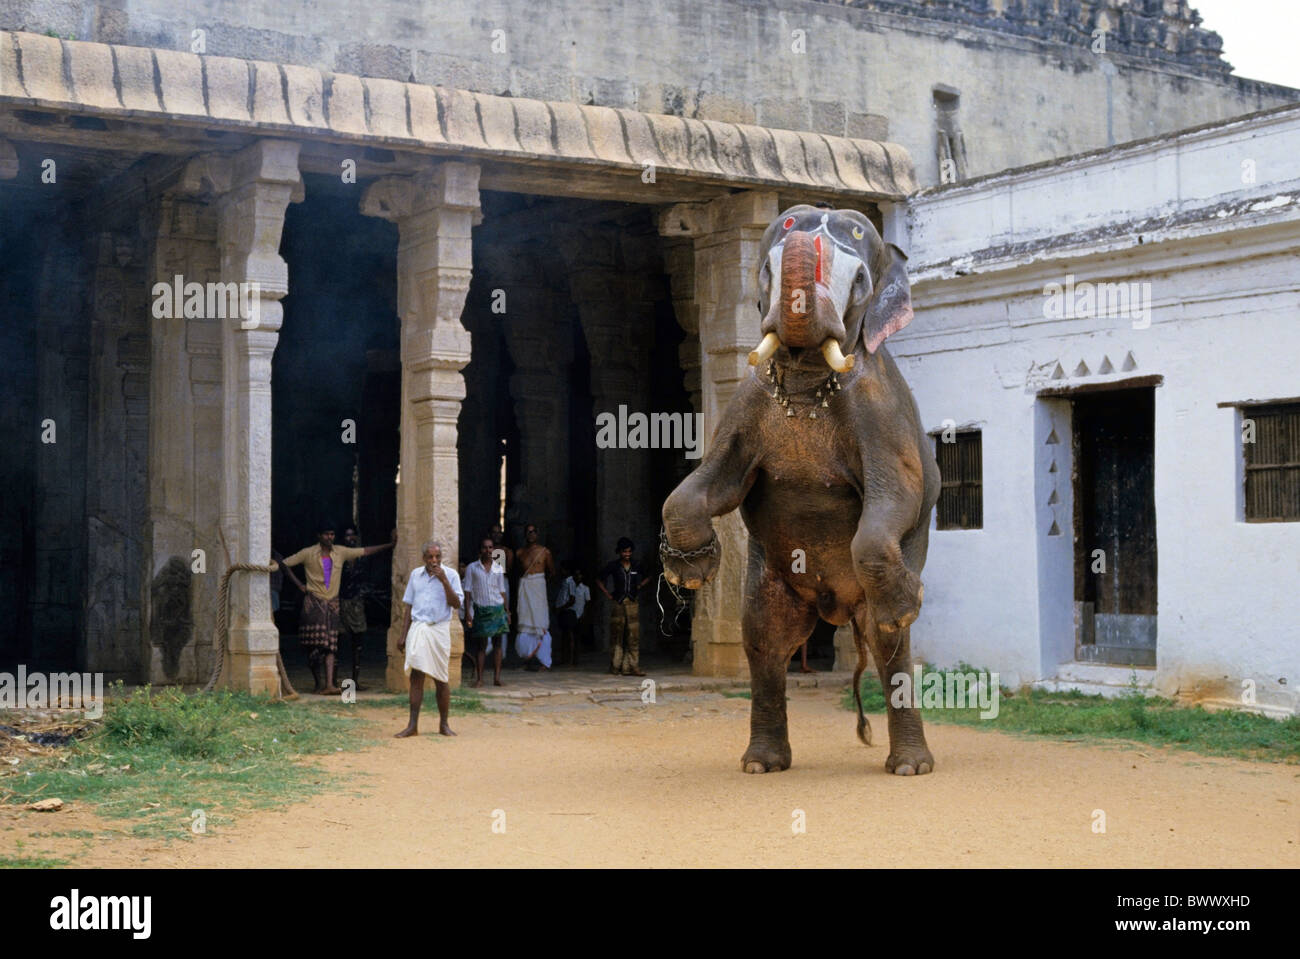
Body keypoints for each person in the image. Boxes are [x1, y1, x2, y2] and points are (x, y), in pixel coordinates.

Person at [279, 522, 395, 694]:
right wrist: (299, 585)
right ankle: (318, 684)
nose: (329, 537)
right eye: (326, 534)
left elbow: (366, 551)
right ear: (319, 536)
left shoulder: (340, 552)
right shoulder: (308, 553)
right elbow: (284, 564)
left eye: (332, 534)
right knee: (314, 647)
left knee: (331, 646)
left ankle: (329, 686)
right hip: (314, 604)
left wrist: (390, 545)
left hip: (332, 605)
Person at [395, 541, 463, 737]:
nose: (434, 561)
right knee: (416, 678)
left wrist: (444, 581)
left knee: (441, 679)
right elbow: (408, 607)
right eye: (430, 557)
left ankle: (444, 725)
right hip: (418, 629)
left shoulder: (451, 575)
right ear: (423, 558)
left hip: (439, 630)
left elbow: (456, 603)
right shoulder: (416, 575)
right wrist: (403, 635)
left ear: (441, 558)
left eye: (437, 557)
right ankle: (412, 725)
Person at [598, 537, 650, 676]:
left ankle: (632, 666)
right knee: (617, 633)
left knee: (633, 635)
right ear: (619, 552)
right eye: (624, 552)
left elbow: (648, 575)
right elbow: (599, 579)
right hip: (618, 602)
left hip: (633, 602)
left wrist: (639, 585)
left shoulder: (636, 565)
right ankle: (616, 666)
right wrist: (608, 595)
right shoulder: (614, 566)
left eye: (629, 551)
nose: (627, 554)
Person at [464, 536, 510, 688]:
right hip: (481, 609)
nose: (488, 550)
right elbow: (468, 591)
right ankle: (480, 679)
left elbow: (502, 591)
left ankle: (497, 678)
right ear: (480, 550)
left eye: (491, 547)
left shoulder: (498, 568)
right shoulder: (472, 568)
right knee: (481, 646)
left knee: (498, 645)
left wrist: (507, 611)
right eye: (485, 547)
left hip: (497, 609)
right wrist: (468, 612)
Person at [514, 523, 555, 670]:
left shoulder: (545, 552)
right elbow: (513, 571)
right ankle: (527, 660)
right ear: (525, 535)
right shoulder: (519, 553)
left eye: (533, 532)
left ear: (537, 534)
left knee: (541, 624)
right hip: (525, 587)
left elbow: (552, 572)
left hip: (538, 587)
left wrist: (540, 583)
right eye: (528, 532)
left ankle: (544, 662)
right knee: (525, 625)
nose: (531, 534)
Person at [338, 526, 375, 690]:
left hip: (357, 603)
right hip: (340, 602)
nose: (350, 539)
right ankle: (333, 681)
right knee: (336, 644)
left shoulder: (362, 559)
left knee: (357, 644)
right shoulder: (337, 557)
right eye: (347, 536)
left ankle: (354, 681)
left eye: (353, 535)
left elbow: (367, 578)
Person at [554, 564, 590, 666]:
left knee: (573, 638)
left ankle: (573, 660)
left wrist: (559, 608)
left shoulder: (581, 587)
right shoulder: (569, 583)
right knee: (566, 636)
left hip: (574, 613)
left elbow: (574, 600)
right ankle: (567, 659)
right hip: (571, 613)